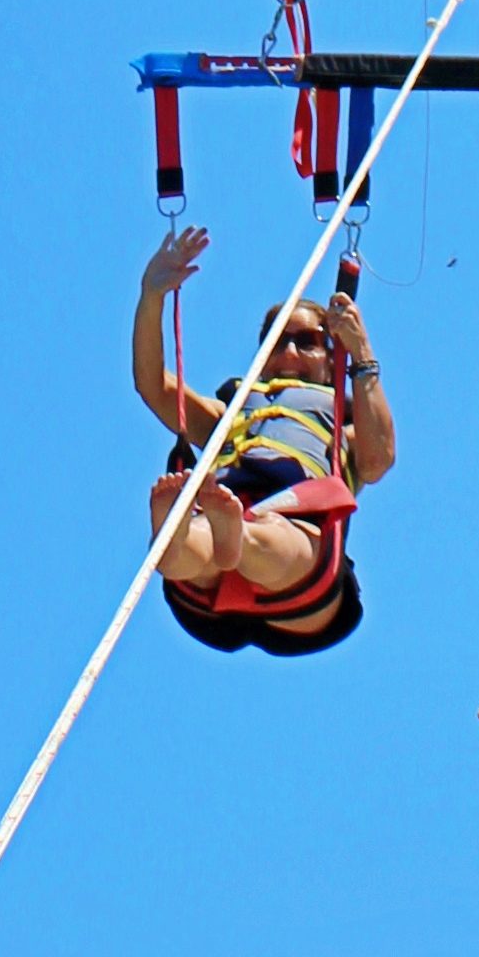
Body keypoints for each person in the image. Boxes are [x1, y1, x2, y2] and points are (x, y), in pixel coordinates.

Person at [133, 225, 395, 656]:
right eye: (278, 343)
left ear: (332, 362)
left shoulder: (344, 429)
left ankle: (231, 532)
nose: (289, 354)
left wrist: (361, 353)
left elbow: (378, 459)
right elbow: (154, 387)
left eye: (308, 343)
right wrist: (152, 296)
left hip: (299, 577)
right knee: (190, 548)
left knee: (273, 534)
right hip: (208, 589)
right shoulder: (230, 415)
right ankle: (186, 536)